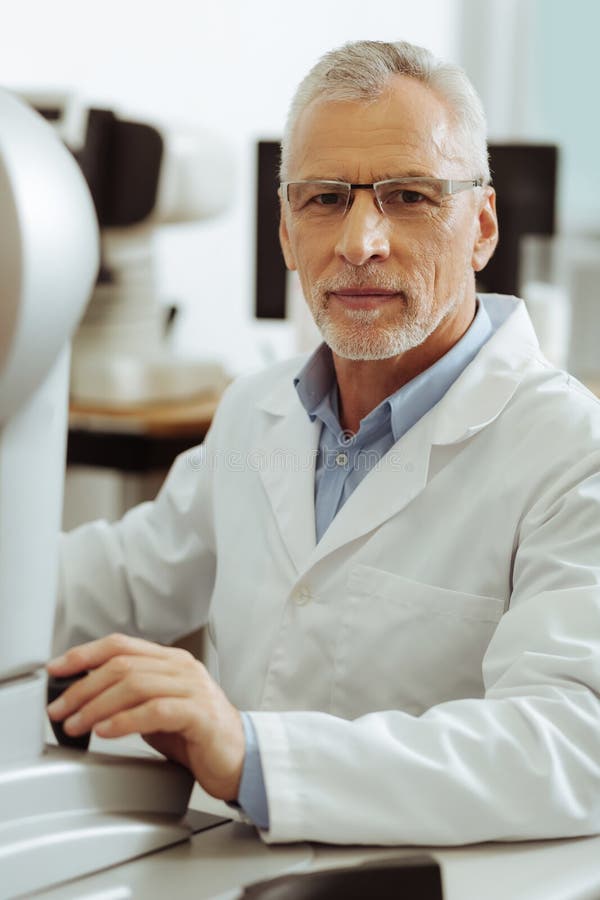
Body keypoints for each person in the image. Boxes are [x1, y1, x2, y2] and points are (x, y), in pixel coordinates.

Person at [49, 39, 600, 846]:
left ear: (480, 228)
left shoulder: (568, 451)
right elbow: (117, 579)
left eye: (409, 196)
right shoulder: (256, 411)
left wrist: (252, 754)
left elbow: (572, 745)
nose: (360, 242)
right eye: (325, 199)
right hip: (233, 870)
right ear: (285, 232)